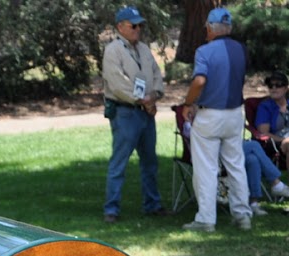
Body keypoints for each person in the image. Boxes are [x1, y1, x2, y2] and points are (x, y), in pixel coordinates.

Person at [179, 8, 251, 232]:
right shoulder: (241, 49)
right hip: (235, 113)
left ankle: (206, 219)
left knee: (206, 168)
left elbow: (200, 81)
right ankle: (242, 215)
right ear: (229, 27)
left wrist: (187, 103)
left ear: (210, 28)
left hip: (210, 114)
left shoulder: (204, 51)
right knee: (236, 165)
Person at [101, 6, 166, 223]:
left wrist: (154, 96)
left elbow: (156, 75)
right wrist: (142, 100)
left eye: (140, 26)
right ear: (120, 27)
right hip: (125, 112)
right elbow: (118, 83)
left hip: (146, 112)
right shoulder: (113, 51)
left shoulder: (144, 49)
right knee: (119, 162)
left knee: (150, 162)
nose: (138, 29)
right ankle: (111, 209)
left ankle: (153, 205)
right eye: (134, 25)